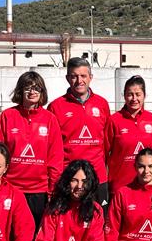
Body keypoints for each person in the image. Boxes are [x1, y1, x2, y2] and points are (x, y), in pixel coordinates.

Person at [0, 71, 64, 241]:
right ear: (20, 91)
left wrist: (52, 192)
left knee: (35, 240)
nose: (32, 92)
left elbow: (55, 159)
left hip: (39, 192)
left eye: (37, 88)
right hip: (12, 191)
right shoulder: (7, 117)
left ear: (42, 93)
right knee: (11, 238)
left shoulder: (50, 119)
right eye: (28, 87)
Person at [48, 58, 111, 204]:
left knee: (98, 222)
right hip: (69, 179)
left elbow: (107, 143)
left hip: (97, 177)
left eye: (83, 76)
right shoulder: (56, 106)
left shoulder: (102, 104)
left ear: (90, 77)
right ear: (67, 78)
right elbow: (53, 148)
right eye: (74, 76)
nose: (79, 80)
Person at [104, 75, 152, 191]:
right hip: (120, 185)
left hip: (146, 184)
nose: (134, 99)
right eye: (130, 94)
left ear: (144, 95)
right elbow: (104, 152)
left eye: (138, 94)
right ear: (124, 96)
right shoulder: (114, 120)